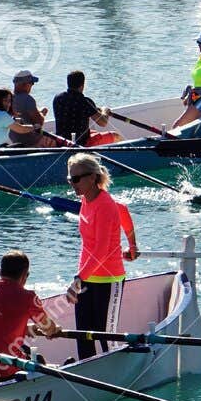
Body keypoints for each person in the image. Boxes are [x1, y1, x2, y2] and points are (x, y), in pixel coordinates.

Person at [68, 153, 139, 360]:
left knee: (105, 335)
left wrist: (78, 278)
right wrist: (132, 244)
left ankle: (116, 370)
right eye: (70, 179)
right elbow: (123, 211)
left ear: (92, 178)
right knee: (83, 334)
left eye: (76, 179)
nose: (73, 184)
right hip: (87, 276)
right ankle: (86, 371)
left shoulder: (105, 205)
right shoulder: (86, 200)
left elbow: (101, 250)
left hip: (109, 279)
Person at [0, 251, 63, 386]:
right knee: (38, 359)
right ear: (25, 276)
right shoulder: (28, 297)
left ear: (0, 271)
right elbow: (49, 329)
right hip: (3, 370)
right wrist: (55, 329)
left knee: (26, 352)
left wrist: (30, 329)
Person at [52, 70, 112, 146]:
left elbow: (72, 108)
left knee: (93, 131)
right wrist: (105, 111)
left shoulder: (58, 98)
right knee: (116, 135)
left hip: (61, 141)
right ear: (82, 85)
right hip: (82, 144)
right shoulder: (85, 102)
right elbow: (103, 123)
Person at [8, 69, 58, 147]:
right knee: (57, 142)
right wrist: (42, 113)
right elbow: (39, 123)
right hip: (31, 141)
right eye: (32, 83)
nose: (32, 86)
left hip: (14, 139)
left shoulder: (9, 99)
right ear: (25, 84)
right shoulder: (28, 99)